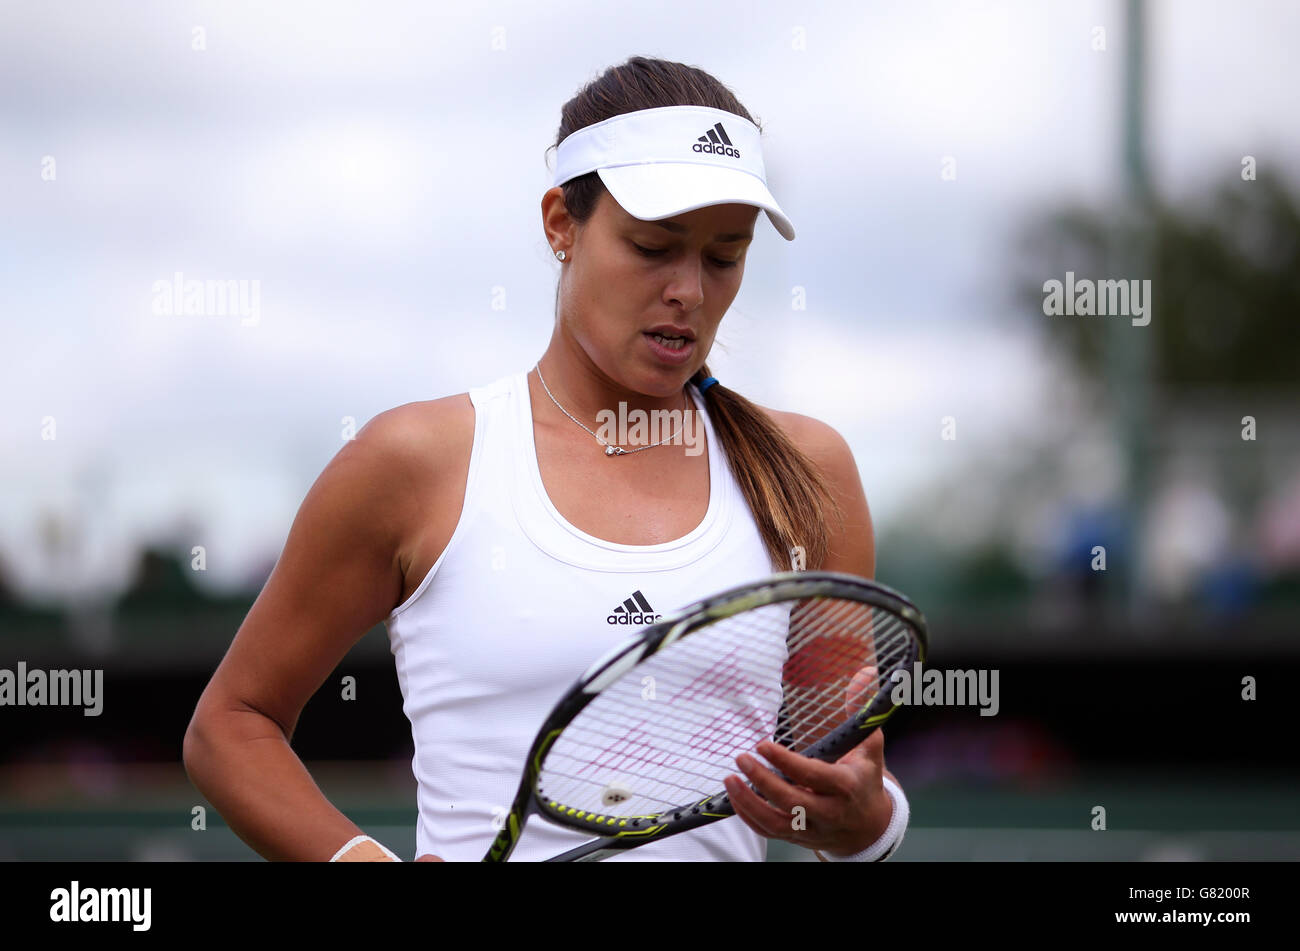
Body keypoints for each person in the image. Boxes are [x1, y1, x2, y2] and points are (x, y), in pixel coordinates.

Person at [183, 55, 909, 863]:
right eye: (652, 246)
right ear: (561, 223)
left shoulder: (810, 473)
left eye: (723, 255)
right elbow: (230, 724)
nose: (689, 292)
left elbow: (836, 783)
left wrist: (867, 823)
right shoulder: (412, 463)